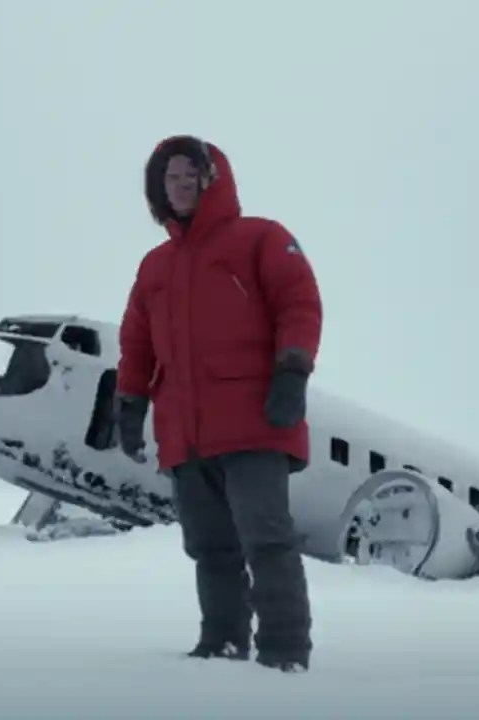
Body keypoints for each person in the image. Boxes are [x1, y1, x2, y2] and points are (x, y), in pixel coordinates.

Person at [114, 135, 323, 673]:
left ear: (213, 179)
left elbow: (299, 303)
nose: (180, 186)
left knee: (266, 538)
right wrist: (131, 402)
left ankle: (285, 650)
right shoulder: (155, 266)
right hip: (186, 431)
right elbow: (136, 342)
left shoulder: (261, 239)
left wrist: (293, 370)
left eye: (190, 175)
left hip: (256, 422)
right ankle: (223, 642)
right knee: (210, 547)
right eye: (170, 178)